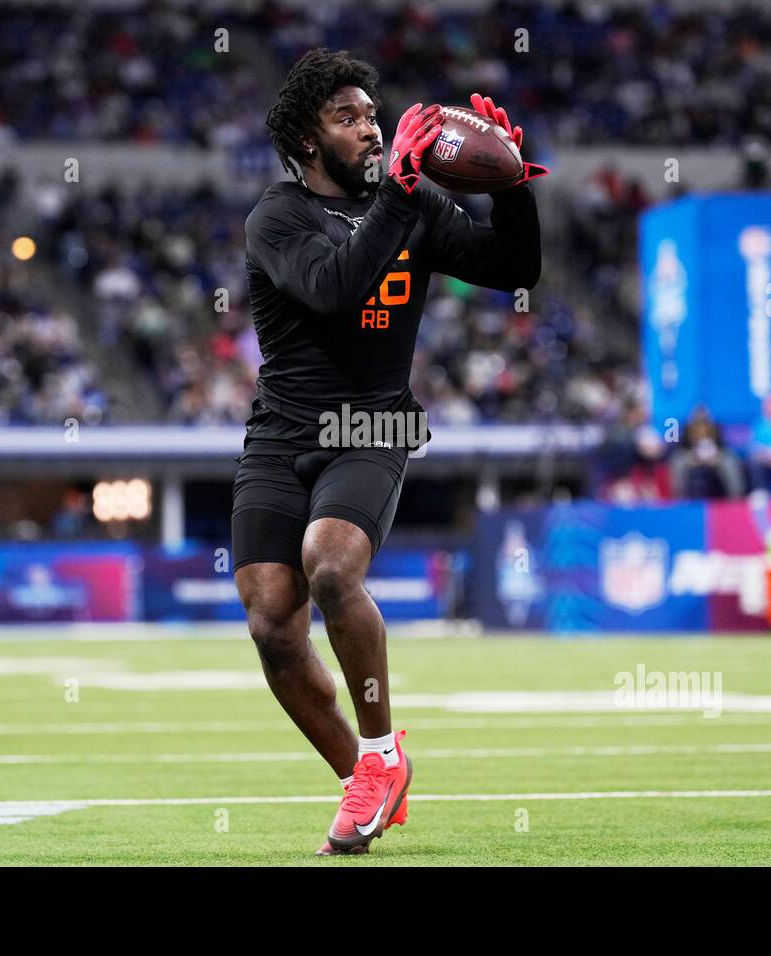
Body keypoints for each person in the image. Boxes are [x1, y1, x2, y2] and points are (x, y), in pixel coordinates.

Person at [233, 48, 546, 855]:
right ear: (308, 139)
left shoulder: (412, 202)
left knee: (332, 567)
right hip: (282, 432)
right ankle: (366, 778)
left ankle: (379, 757)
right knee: (271, 621)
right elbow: (335, 288)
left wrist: (511, 187)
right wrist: (405, 193)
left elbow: (516, 268)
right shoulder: (277, 216)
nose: (371, 128)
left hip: (374, 423)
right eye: (348, 117)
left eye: (374, 114)